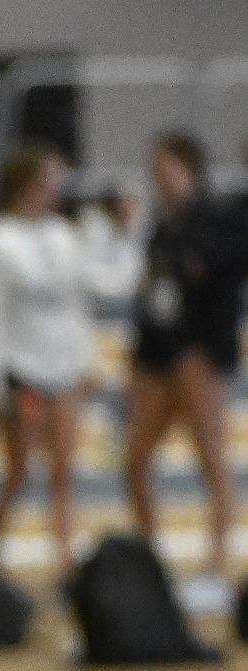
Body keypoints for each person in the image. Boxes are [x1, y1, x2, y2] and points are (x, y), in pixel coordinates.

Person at [125, 132, 248, 615]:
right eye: (157, 171)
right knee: (136, 456)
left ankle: (217, 565)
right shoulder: (161, 226)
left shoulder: (219, 219)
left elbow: (224, 281)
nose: (162, 179)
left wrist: (210, 351)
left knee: (211, 457)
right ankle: (149, 557)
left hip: (198, 355)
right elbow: (153, 293)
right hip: (157, 354)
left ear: (191, 171)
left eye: (170, 170)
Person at [0, 146, 99, 581]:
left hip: (64, 365)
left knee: (65, 469)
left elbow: (78, 303)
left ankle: (67, 564)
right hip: (23, 368)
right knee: (19, 471)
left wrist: (89, 359)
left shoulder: (63, 234)